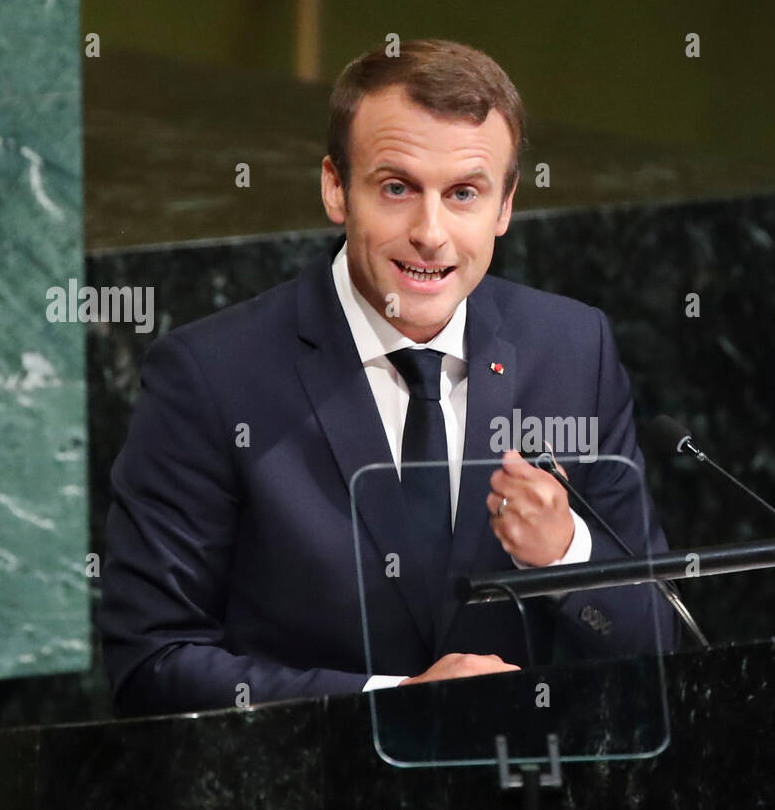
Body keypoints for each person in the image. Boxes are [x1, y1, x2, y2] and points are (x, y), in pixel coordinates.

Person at [99, 39, 676, 715]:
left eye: (464, 193)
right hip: (308, 805)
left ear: (505, 206)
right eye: (397, 188)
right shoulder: (212, 375)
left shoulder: (573, 349)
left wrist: (568, 556)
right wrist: (393, 702)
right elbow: (151, 663)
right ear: (336, 188)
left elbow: (659, 645)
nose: (430, 233)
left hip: (526, 805)